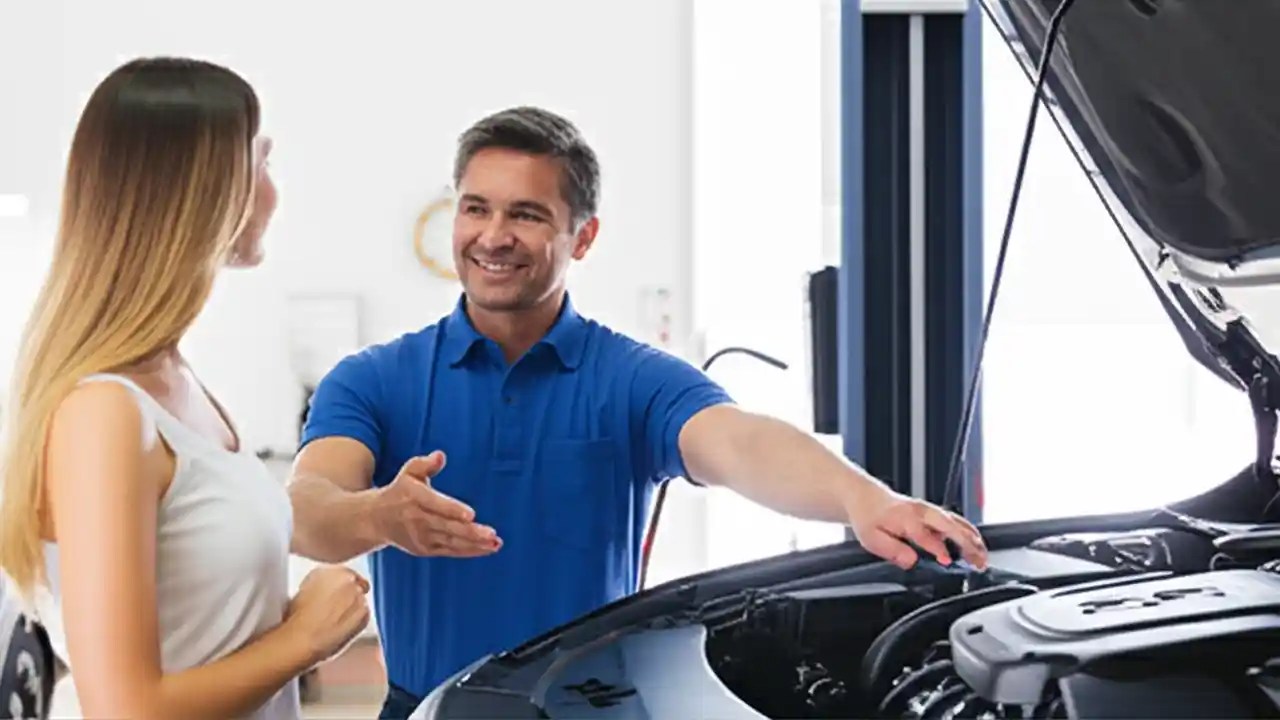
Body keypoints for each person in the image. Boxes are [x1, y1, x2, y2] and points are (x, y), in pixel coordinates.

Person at [287, 105, 989, 718]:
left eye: (526, 214)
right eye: (476, 208)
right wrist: (380, 517)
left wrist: (863, 499)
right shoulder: (373, 380)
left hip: (587, 713)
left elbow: (740, 444)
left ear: (583, 236)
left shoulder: (631, 379)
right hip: (426, 710)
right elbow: (305, 512)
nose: (493, 236)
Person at [0, 57, 372, 720]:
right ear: (203, 188)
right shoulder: (104, 412)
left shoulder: (176, 383)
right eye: (261, 162)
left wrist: (381, 517)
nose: (273, 193)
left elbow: (211, 568)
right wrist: (305, 639)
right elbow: (127, 709)